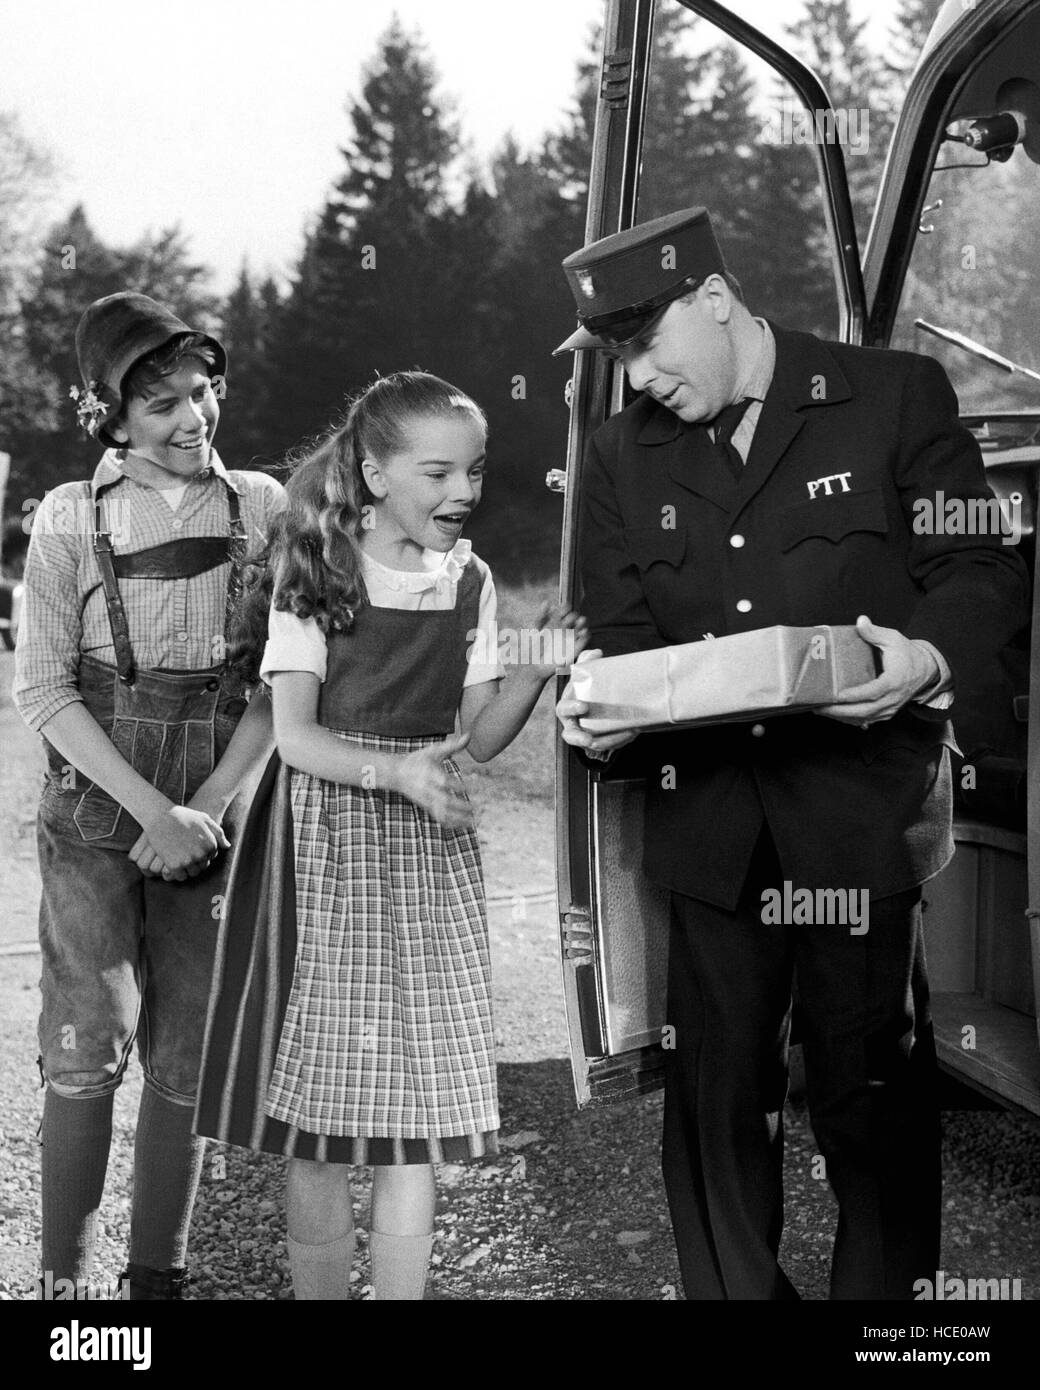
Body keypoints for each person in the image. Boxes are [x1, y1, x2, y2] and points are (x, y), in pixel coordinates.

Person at [553, 207, 1029, 1300]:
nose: (634, 378)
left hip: (854, 814)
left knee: (867, 1087)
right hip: (712, 820)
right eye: (612, 356)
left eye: (642, 345)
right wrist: (609, 711)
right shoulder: (624, 452)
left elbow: (977, 568)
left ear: (711, 298)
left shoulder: (890, 396)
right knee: (717, 1096)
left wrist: (920, 656)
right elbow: (619, 637)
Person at [194, 370, 586, 1300]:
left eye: (476, 474)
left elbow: (482, 738)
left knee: (418, 1108)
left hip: (426, 859)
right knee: (324, 1117)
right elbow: (294, 737)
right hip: (326, 846)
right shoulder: (318, 572)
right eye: (438, 474)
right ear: (373, 475)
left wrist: (537, 666)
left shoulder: (475, 580)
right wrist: (397, 772)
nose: (462, 495)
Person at [12, 292, 285, 1300]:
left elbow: (284, 678)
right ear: (110, 417)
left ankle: (156, 1284)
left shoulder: (262, 507)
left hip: (216, 812)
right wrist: (151, 811)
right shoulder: (68, 518)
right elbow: (42, 688)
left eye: (201, 393)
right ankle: (62, 1290)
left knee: (192, 1044)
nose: (190, 418)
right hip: (95, 809)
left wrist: (207, 802)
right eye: (161, 403)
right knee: (87, 1032)